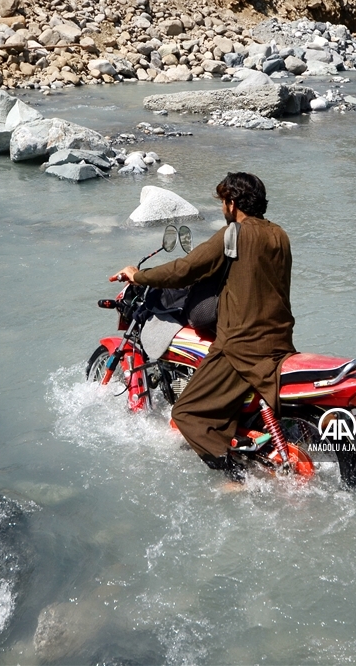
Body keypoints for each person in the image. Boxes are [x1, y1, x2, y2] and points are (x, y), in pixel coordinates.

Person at [112, 172, 295, 481]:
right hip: (281, 340)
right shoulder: (280, 235)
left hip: (241, 346)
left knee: (186, 414)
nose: (223, 208)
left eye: (224, 202)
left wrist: (138, 275)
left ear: (233, 203)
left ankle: (235, 480)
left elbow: (184, 269)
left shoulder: (233, 235)